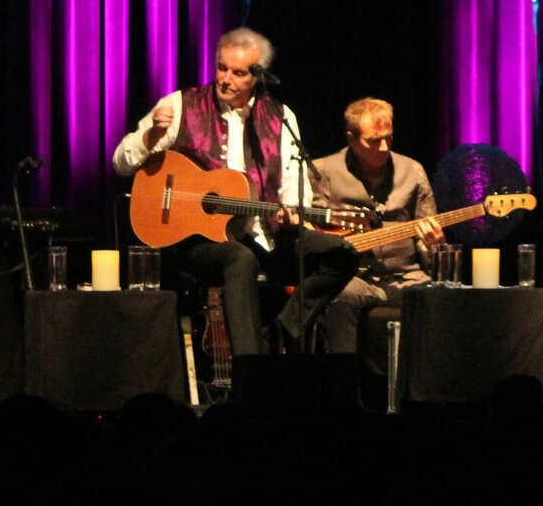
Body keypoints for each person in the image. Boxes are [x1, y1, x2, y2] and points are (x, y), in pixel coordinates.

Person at [112, 27, 359, 359]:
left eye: (238, 72)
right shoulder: (182, 104)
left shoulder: (281, 116)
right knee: (240, 258)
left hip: (266, 233)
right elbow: (121, 162)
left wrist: (292, 208)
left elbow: (292, 174)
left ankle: (281, 332)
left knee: (342, 253)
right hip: (201, 240)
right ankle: (249, 370)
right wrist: (152, 136)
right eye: (221, 67)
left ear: (257, 77)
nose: (225, 78)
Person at [310, 98, 444, 355]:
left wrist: (434, 244)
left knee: (440, 296)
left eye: (389, 138)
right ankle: (344, 385)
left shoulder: (413, 170)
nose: (383, 147)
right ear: (351, 139)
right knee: (340, 294)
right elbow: (314, 235)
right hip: (356, 278)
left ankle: (425, 390)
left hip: (407, 279)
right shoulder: (324, 170)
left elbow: (430, 251)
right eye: (373, 141)